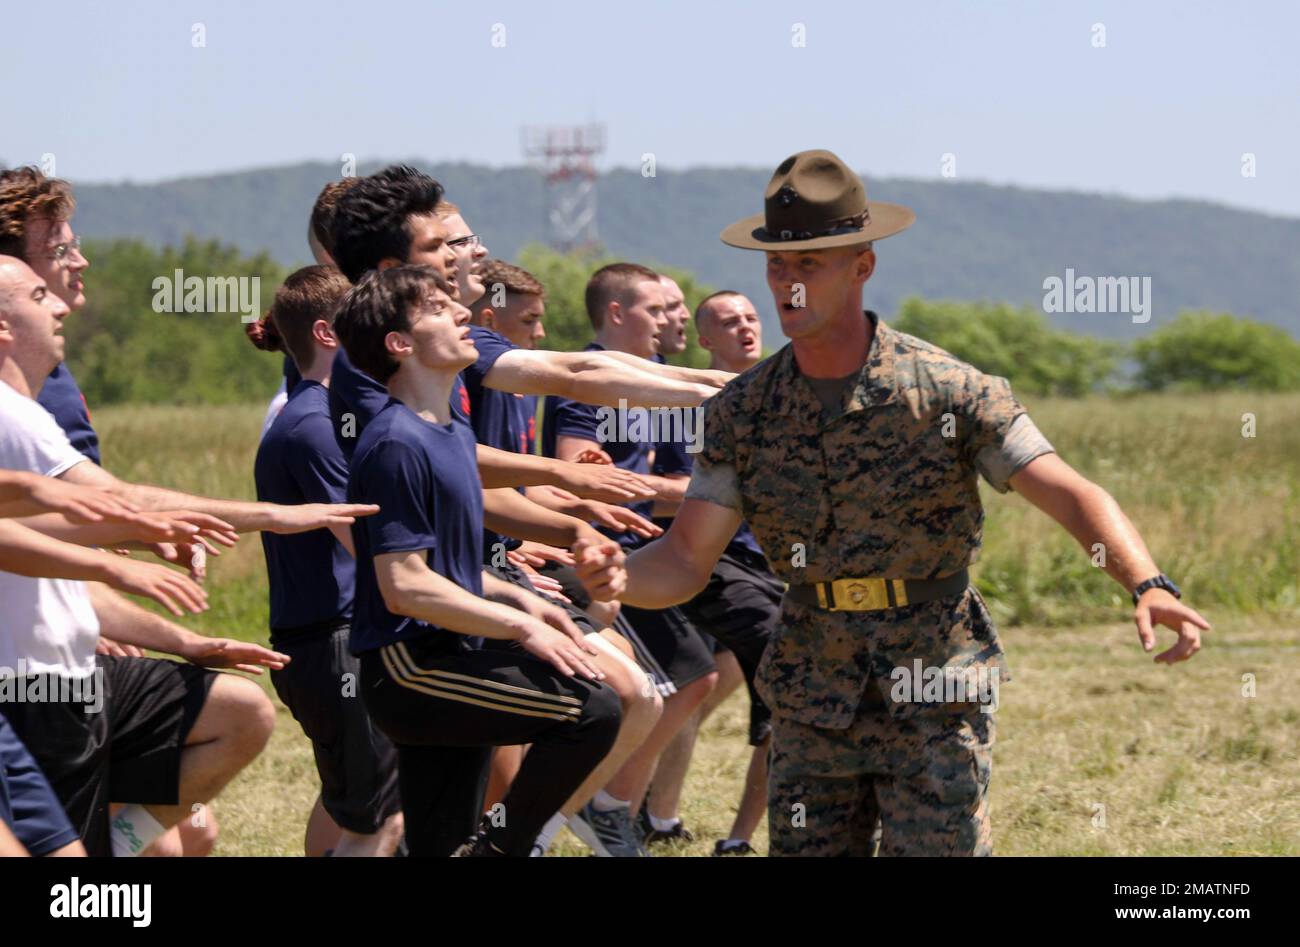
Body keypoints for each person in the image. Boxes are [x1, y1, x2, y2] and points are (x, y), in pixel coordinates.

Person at [617, 148, 1210, 856]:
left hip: (934, 680)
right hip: (811, 688)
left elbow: (1068, 490)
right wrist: (594, 578)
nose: (789, 284)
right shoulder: (744, 412)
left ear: (862, 265)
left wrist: (1144, 580)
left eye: (811, 264)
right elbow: (686, 558)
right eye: (779, 265)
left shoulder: (950, 391)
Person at [0, 256, 340, 857]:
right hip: (29, 692)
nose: (57, 301)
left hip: (70, 679)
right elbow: (107, 498)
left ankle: (122, 845)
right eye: (37, 293)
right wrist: (272, 516)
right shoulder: (12, 415)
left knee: (238, 712)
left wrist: (183, 640)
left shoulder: (28, 413)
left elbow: (50, 543)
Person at [333, 264, 628, 856]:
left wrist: (524, 599)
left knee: (439, 841)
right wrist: (521, 625)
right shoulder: (395, 443)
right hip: (410, 667)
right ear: (400, 343)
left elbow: (453, 572)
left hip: (449, 651)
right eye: (439, 310)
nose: (464, 313)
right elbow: (405, 587)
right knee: (591, 710)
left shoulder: (447, 431)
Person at [541, 262, 721, 855]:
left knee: (691, 677)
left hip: (637, 552)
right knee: (674, 680)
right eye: (656, 310)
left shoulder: (647, 381)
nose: (671, 320)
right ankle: (580, 811)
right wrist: (692, 492)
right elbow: (579, 470)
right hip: (591, 558)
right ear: (616, 314)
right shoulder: (590, 382)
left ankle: (608, 806)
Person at [250, 265, 404, 857]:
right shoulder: (313, 426)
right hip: (333, 641)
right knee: (381, 818)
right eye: (363, 324)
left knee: (353, 806)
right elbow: (362, 542)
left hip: (328, 638)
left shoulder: (324, 414)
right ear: (327, 333)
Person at [642, 290, 779, 855]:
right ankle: (627, 807)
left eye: (750, 317)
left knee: (702, 688)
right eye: (728, 321)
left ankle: (659, 814)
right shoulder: (689, 404)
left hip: (772, 566)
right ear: (704, 340)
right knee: (776, 676)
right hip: (706, 566)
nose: (745, 327)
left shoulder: (785, 393)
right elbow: (658, 494)